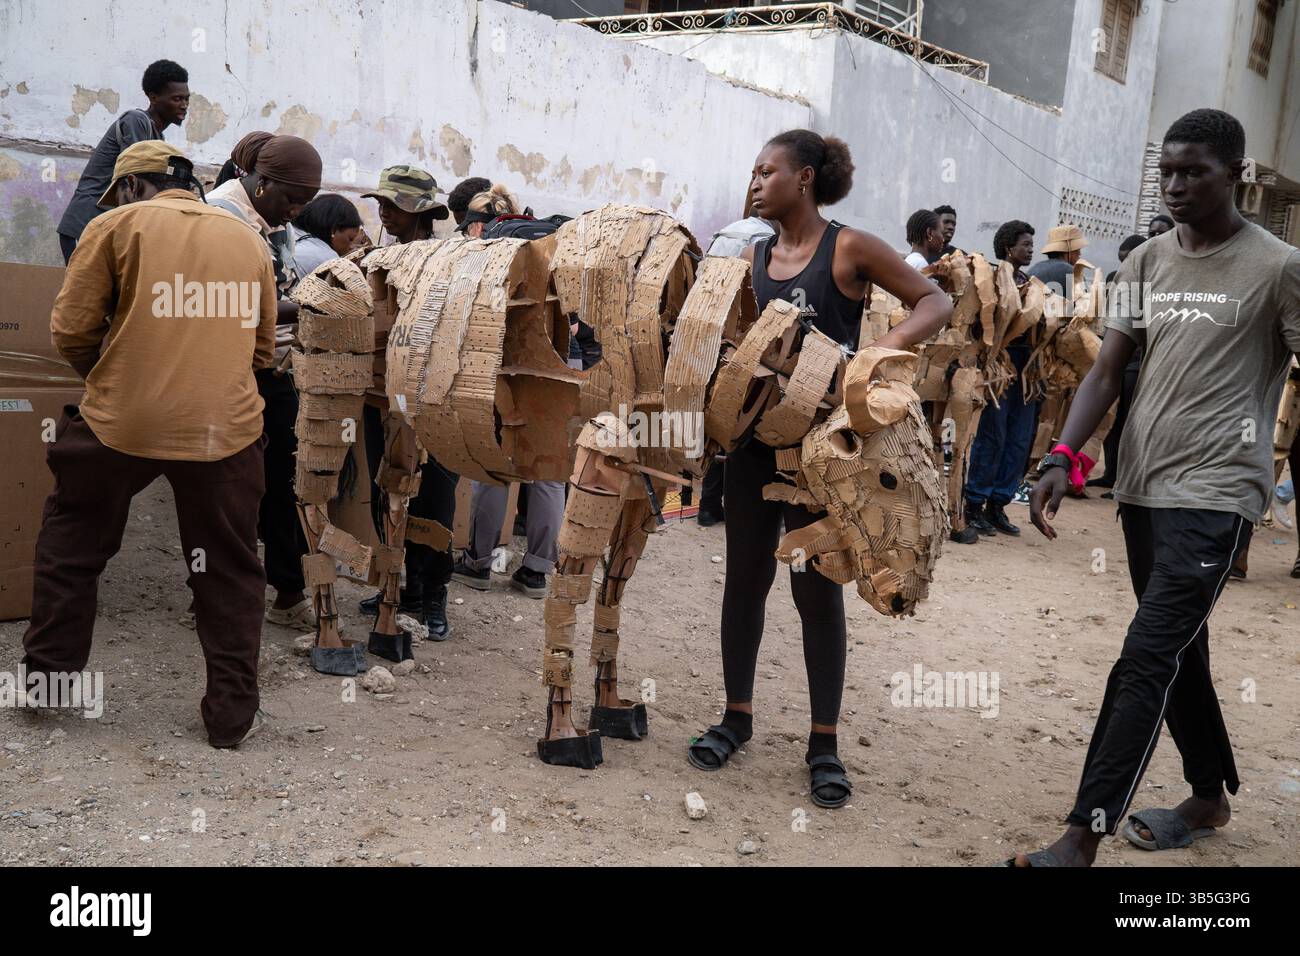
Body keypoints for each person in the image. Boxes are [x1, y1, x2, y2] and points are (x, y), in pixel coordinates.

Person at [1011, 109, 1300, 867]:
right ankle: (1208, 795)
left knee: (1145, 655)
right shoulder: (1146, 263)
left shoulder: (1278, 266)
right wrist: (1061, 457)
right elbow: (1108, 369)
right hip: (1142, 487)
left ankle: (1082, 833)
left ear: (1233, 173)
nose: (1174, 185)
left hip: (1218, 492)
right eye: (1167, 170)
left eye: (1193, 171)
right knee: (1180, 651)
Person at [686, 129, 952, 808]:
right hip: (751, 450)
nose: (754, 181)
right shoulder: (752, 256)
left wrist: (878, 351)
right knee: (744, 581)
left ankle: (823, 744)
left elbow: (935, 301)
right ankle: (736, 718)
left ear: (803, 177)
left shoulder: (850, 247)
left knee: (814, 593)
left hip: (822, 461)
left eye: (765, 170)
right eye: (752, 171)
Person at [22, 141, 276, 747]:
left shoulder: (113, 225)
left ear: (131, 186)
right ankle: (229, 722)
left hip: (120, 424)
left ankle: (50, 688)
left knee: (73, 547)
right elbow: (263, 350)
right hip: (226, 429)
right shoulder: (249, 240)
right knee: (230, 570)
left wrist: (114, 375)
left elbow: (71, 331)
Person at [207, 132, 323, 631]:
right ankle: (214, 596)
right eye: (290, 199)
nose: (295, 211)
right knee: (226, 484)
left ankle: (287, 589)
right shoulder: (218, 218)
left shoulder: (272, 222)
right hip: (226, 370)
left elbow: (277, 286)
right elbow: (223, 302)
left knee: (280, 477)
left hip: (271, 365)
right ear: (261, 181)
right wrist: (304, 308)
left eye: (304, 204)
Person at [354, 166, 458, 639]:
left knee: (434, 498)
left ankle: (434, 595)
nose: (384, 213)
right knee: (386, 487)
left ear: (421, 211)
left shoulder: (452, 262)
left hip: (435, 402)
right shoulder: (378, 259)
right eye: (382, 205)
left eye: (393, 206)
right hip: (382, 397)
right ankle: (400, 584)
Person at [451, 184, 568, 599]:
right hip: (560, 367)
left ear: (477, 224)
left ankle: (478, 563)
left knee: (493, 465)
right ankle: (537, 571)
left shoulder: (489, 247)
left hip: (503, 367)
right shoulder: (553, 237)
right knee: (550, 472)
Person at [56, 59, 189, 263]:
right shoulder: (136, 121)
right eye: (177, 99)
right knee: (85, 292)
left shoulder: (157, 138)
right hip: (86, 224)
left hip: (107, 227)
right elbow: (141, 175)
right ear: (153, 97)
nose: (184, 106)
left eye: (187, 99)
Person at [696, 218, 780, 526]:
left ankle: (707, 506)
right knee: (747, 426)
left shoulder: (727, 231)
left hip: (712, 336)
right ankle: (746, 510)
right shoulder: (766, 240)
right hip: (747, 346)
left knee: (720, 423)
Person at [962, 220, 1036, 537]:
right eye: (1025, 244)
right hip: (999, 366)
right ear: (1008, 247)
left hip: (1027, 367)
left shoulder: (1032, 285)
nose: (1031, 249)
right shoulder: (990, 278)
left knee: (1019, 439)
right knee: (993, 436)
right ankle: (974, 505)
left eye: (1032, 244)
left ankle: (998, 505)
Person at [1092, 233, 1149, 497]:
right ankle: (1110, 474)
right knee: (1112, 423)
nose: (1125, 265)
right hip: (1115, 363)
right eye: (1121, 260)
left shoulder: (1152, 282)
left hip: (1137, 366)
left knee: (1128, 424)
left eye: (1129, 260)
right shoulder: (1115, 278)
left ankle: (1124, 481)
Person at [292, 193, 365, 274]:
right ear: (333, 230)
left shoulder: (291, 233)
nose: (352, 247)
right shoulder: (329, 259)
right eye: (350, 239)